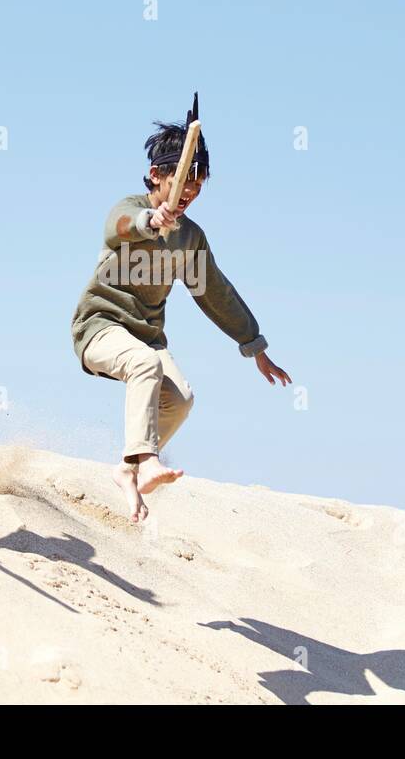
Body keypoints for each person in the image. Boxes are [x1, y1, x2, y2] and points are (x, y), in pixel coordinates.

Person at [71, 94, 291, 522]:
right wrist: (150, 222)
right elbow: (117, 228)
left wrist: (255, 345)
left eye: (197, 185)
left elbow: (215, 293)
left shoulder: (190, 238)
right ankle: (147, 460)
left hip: (147, 337)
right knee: (143, 365)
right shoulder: (130, 209)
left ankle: (127, 469)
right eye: (182, 183)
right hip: (100, 327)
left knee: (181, 399)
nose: (190, 192)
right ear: (156, 175)